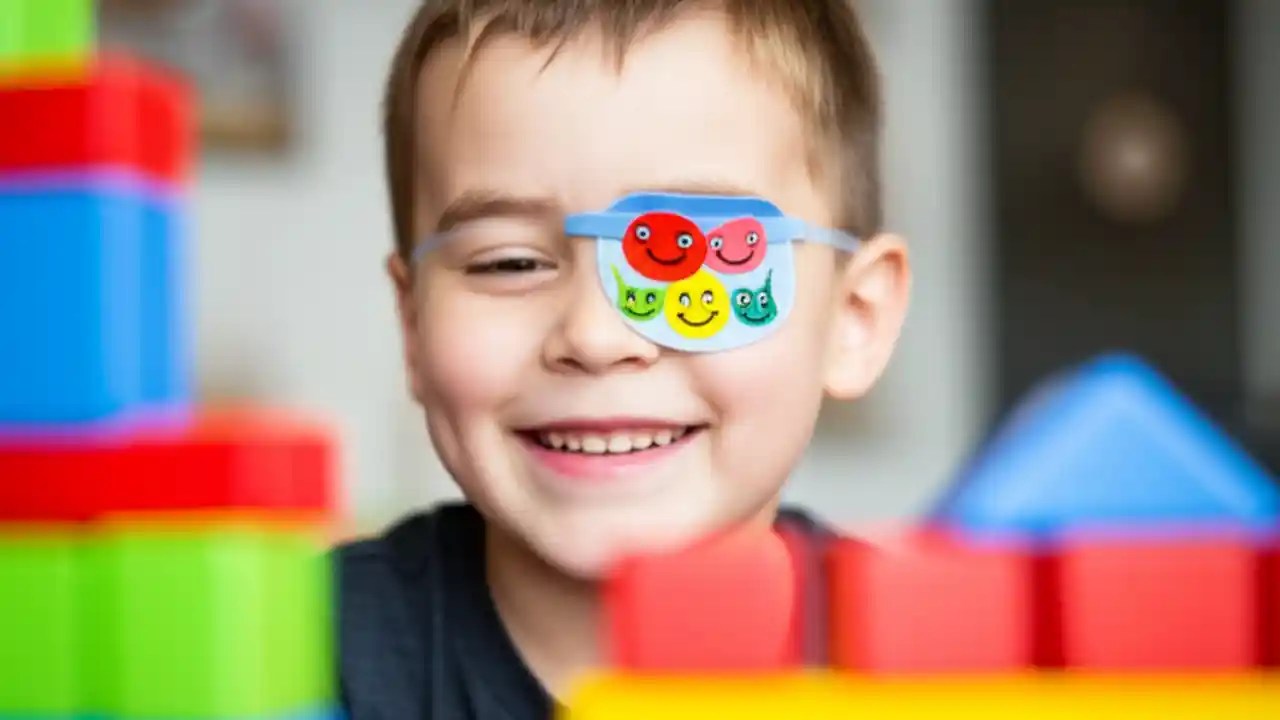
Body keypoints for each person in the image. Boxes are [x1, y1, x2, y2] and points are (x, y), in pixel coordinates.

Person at [336, 1, 911, 718]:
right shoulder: (290, 660)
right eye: (509, 263)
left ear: (853, 320)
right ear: (413, 322)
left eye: (689, 255)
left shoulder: (938, 672)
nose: (596, 337)